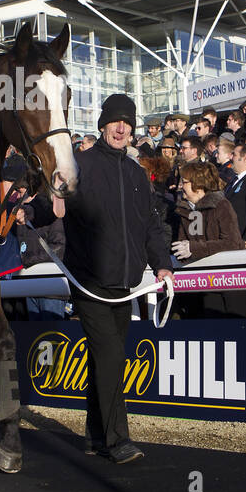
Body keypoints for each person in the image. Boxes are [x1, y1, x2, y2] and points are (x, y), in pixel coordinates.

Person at [61, 93, 173, 464]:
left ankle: (95, 434)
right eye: (115, 121)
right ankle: (117, 439)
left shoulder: (137, 173)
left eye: (127, 122)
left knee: (104, 360)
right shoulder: (80, 163)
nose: (121, 128)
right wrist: (31, 207)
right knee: (110, 356)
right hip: (88, 280)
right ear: (103, 125)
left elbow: (152, 225)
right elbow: (54, 199)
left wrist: (163, 264)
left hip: (124, 285)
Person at [173, 160, 246, 317]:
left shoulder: (221, 206)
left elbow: (232, 243)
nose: (180, 186)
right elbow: (187, 243)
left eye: (184, 182)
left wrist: (194, 249)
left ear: (198, 185)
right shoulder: (187, 210)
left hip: (226, 283)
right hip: (197, 284)